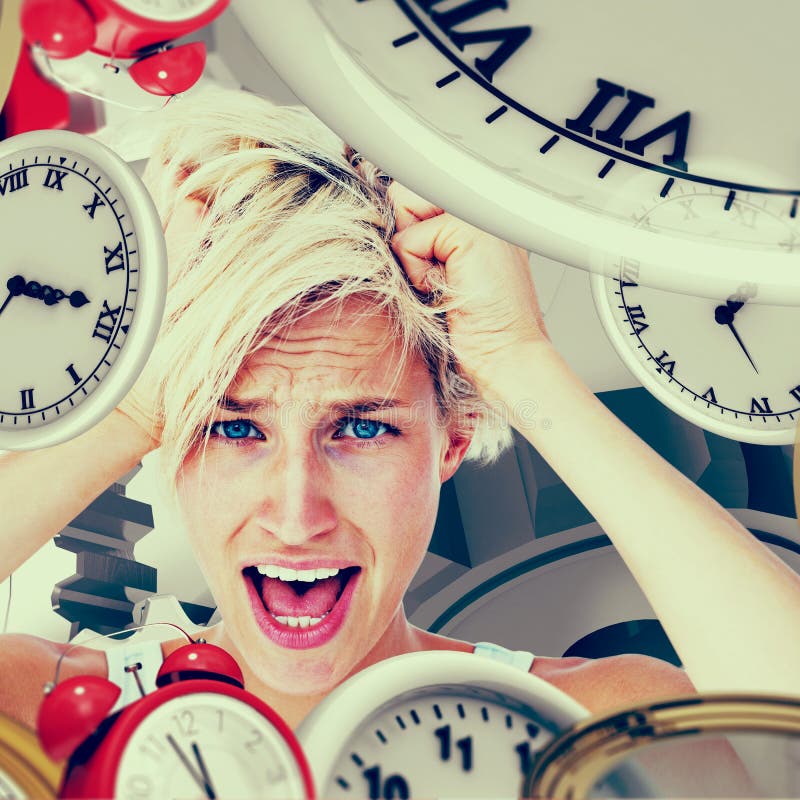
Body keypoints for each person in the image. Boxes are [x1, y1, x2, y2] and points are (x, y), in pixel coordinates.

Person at [0, 89, 799, 738]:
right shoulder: (52, 707)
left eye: (362, 427)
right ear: (171, 442)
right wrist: (136, 405)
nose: (295, 513)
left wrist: (520, 359)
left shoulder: (580, 724)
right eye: (234, 426)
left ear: (450, 439)